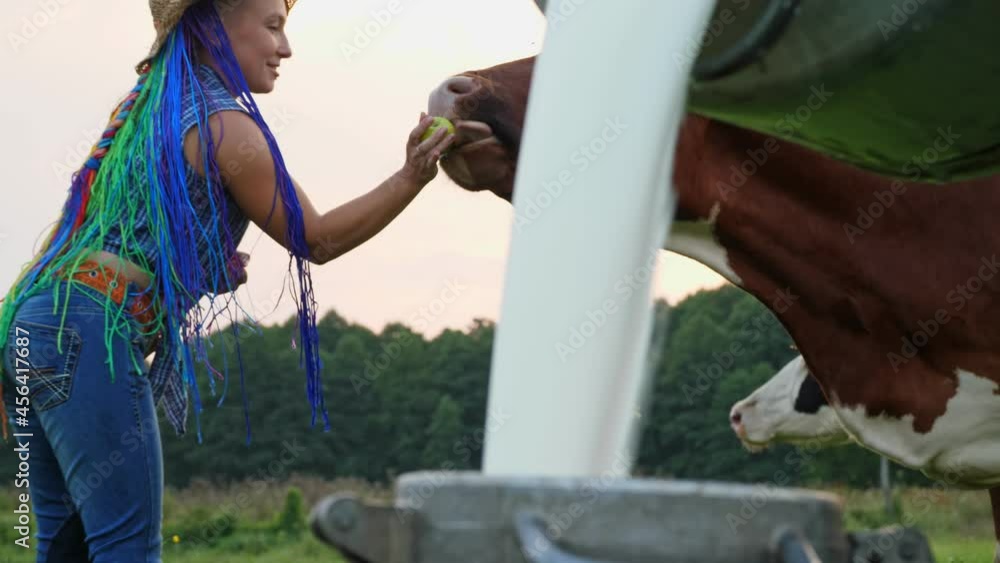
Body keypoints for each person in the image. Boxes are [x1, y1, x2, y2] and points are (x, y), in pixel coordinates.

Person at [0, 0, 455, 560]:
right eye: (273, 26)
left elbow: (136, 235)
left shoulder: (153, 110)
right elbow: (316, 240)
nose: (285, 48)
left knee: (62, 544)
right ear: (213, 26)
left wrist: (200, 268)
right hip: (92, 329)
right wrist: (411, 176)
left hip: (39, 325)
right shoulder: (227, 127)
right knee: (128, 546)